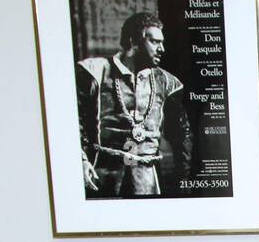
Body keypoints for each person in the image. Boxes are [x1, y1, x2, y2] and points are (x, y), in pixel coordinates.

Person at [76, 11, 192, 197]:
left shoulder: (168, 83)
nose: (162, 49)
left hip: (146, 181)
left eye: (162, 42)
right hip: (102, 176)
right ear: (133, 41)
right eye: (155, 42)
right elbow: (72, 121)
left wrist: (185, 176)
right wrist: (79, 161)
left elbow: (181, 134)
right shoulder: (95, 72)